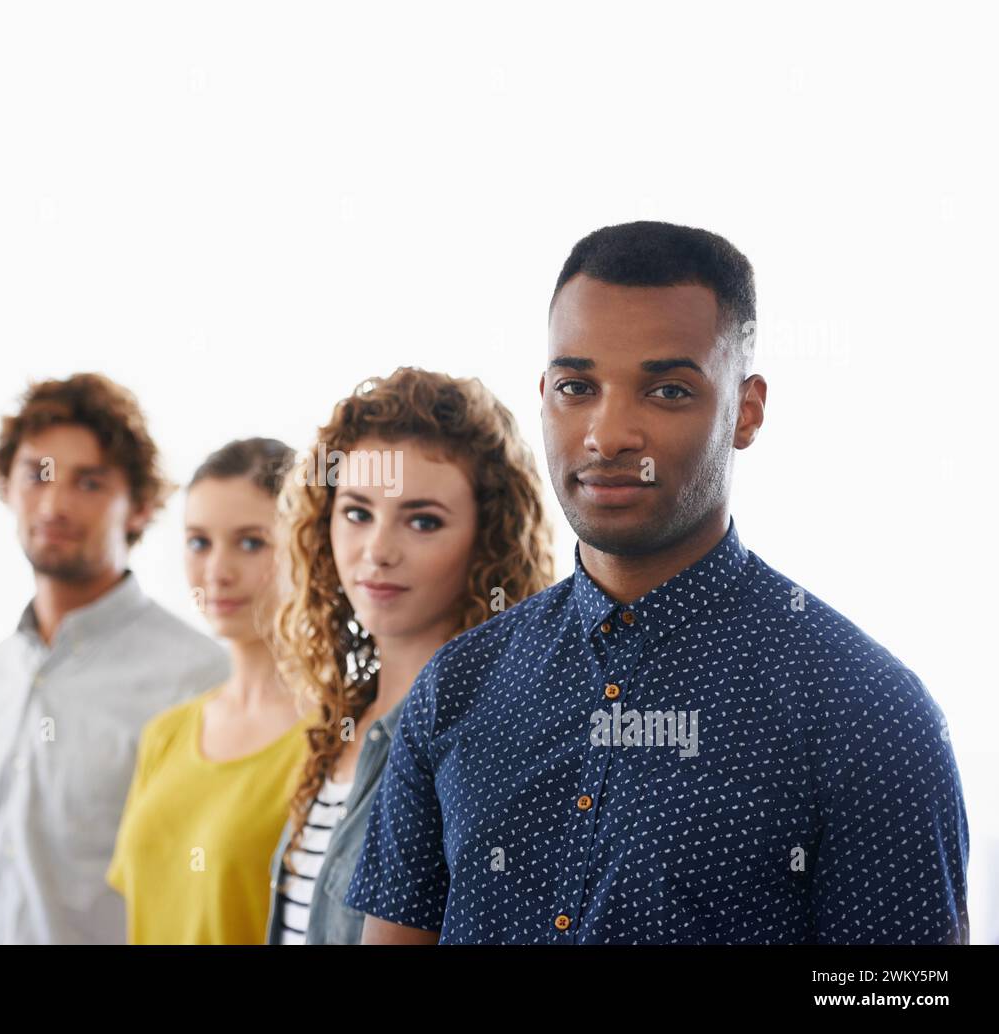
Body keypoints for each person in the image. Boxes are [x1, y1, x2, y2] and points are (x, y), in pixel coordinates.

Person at [347, 220, 971, 944]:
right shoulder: (456, 687)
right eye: (578, 386)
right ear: (544, 394)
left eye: (668, 390)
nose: (608, 435)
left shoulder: (867, 715)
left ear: (747, 409)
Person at [265, 367, 555, 944]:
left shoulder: (496, 741)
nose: (377, 551)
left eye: (422, 521)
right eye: (356, 512)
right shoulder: (338, 725)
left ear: (487, 537)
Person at [0, 373, 230, 944]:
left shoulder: (199, 679)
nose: (54, 504)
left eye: (89, 482)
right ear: (7, 486)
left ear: (139, 507)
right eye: (36, 476)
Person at [106, 438, 313, 943]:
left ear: (309, 545)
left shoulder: (337, 742)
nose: (217, 571)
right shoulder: (165, 735)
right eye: (200, 542)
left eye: (250, 542)